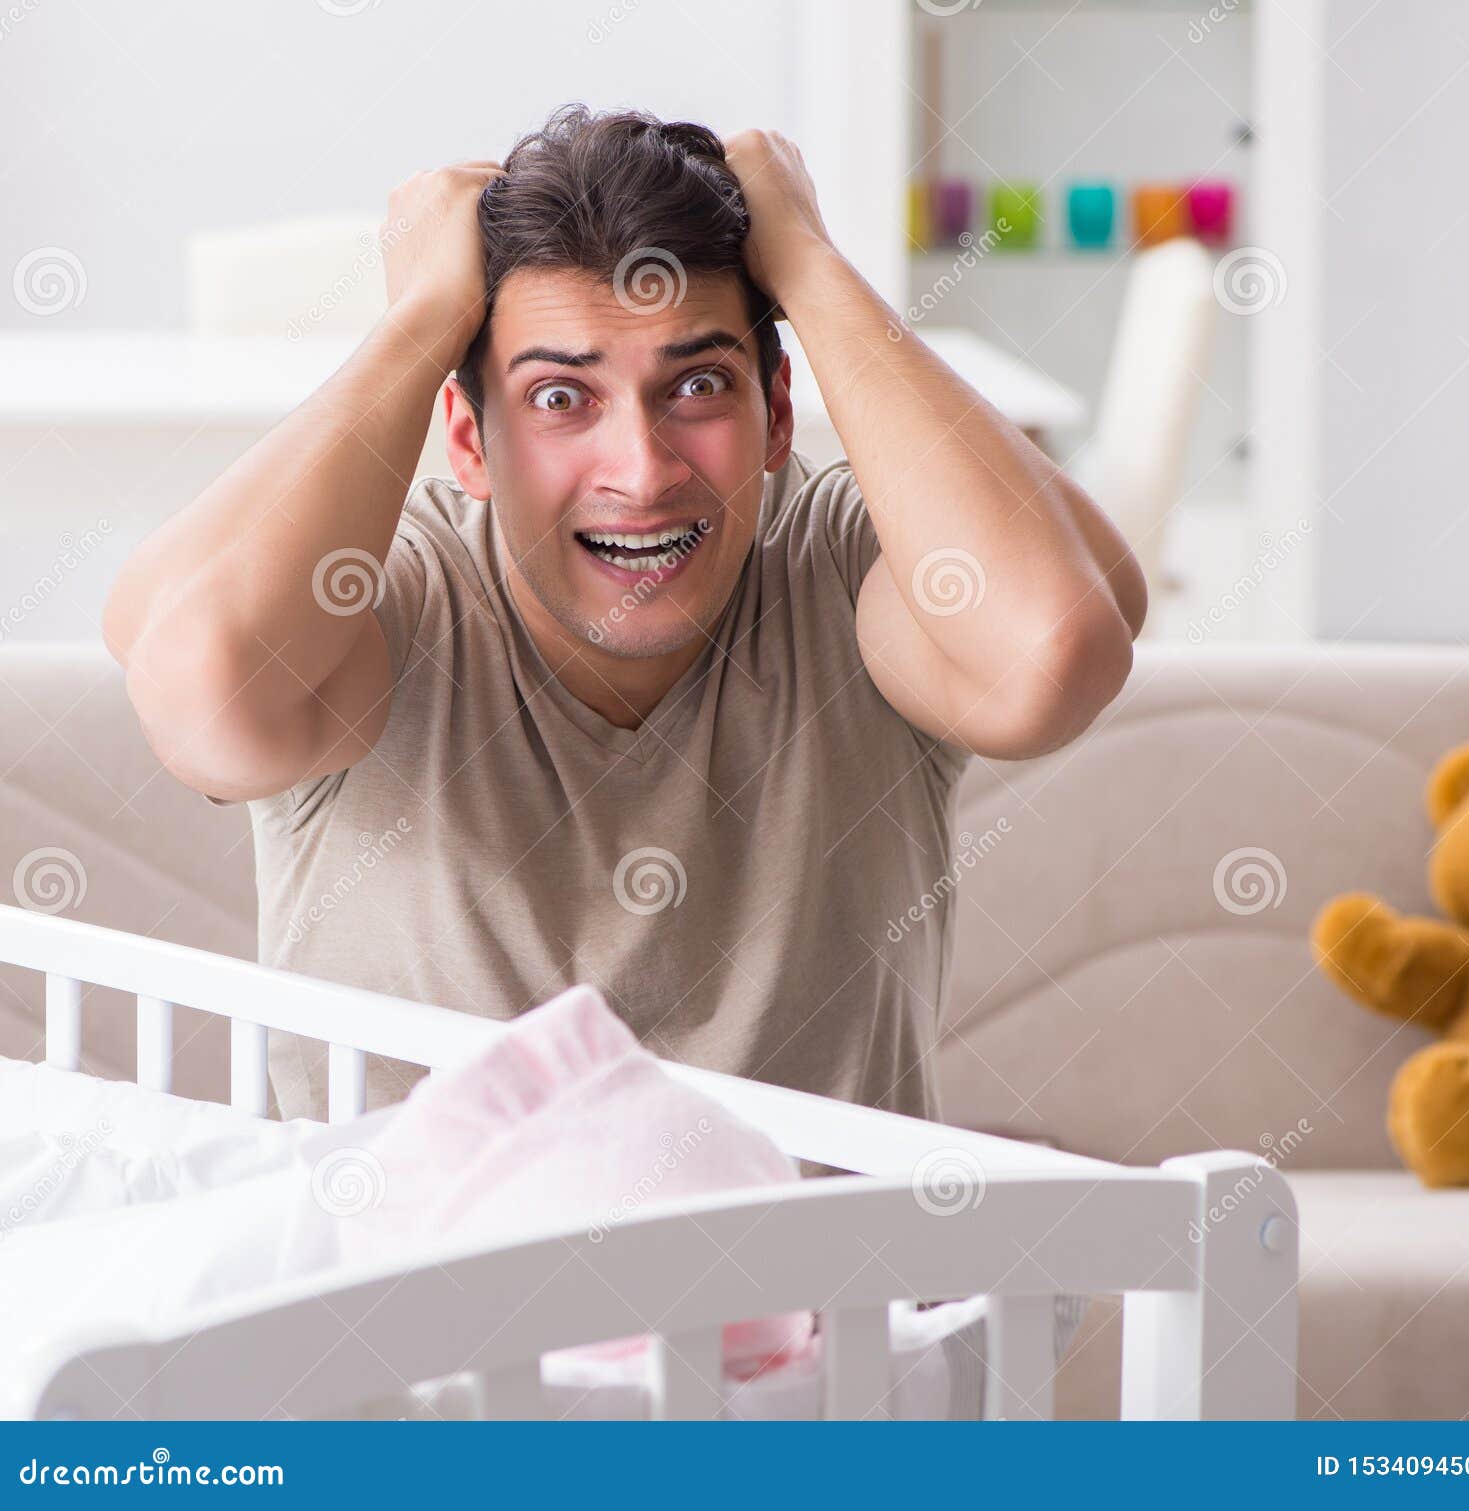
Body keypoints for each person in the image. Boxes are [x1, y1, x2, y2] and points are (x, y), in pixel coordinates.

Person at [104, 105, 1145, 1121]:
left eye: (696, 385)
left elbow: (1053, 648)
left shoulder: (842, 565)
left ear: (777, 412)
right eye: (561, 398)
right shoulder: (384, 592)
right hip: (420, 1291)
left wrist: (814, 269)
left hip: (818, 1288)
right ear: (467, 438)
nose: (642, 472)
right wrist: (419, 318)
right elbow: (207, 689)